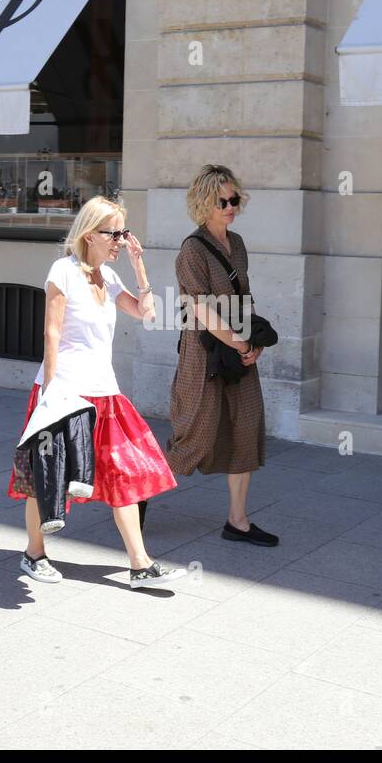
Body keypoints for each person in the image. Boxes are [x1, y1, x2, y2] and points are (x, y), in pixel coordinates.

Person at [7, 195, 185, 589]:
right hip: (65, 393)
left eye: (124, 232)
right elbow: (51, 332)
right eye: (114, 233)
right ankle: (34, 553)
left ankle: (140, 564)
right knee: (46, 475)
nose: (121, 240)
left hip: (104, 392)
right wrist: (49, 394)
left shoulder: (110, 277)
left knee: (124, 471)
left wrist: (139, 266)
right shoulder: (64, 271)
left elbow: (146, 313)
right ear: (90, 235)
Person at [165, 165, 278, 546]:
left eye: (235, 199)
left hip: (239, 349)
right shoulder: (192, 250)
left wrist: (254, 343)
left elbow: (244, 299)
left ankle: (238, 521)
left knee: (246, 428)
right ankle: (138, 492)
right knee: (194, 436)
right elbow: (200, 310)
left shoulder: (238, 243)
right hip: (204, 353)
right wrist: (240, 344)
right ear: (203, 203)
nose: (231, 207)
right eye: (222, 202)